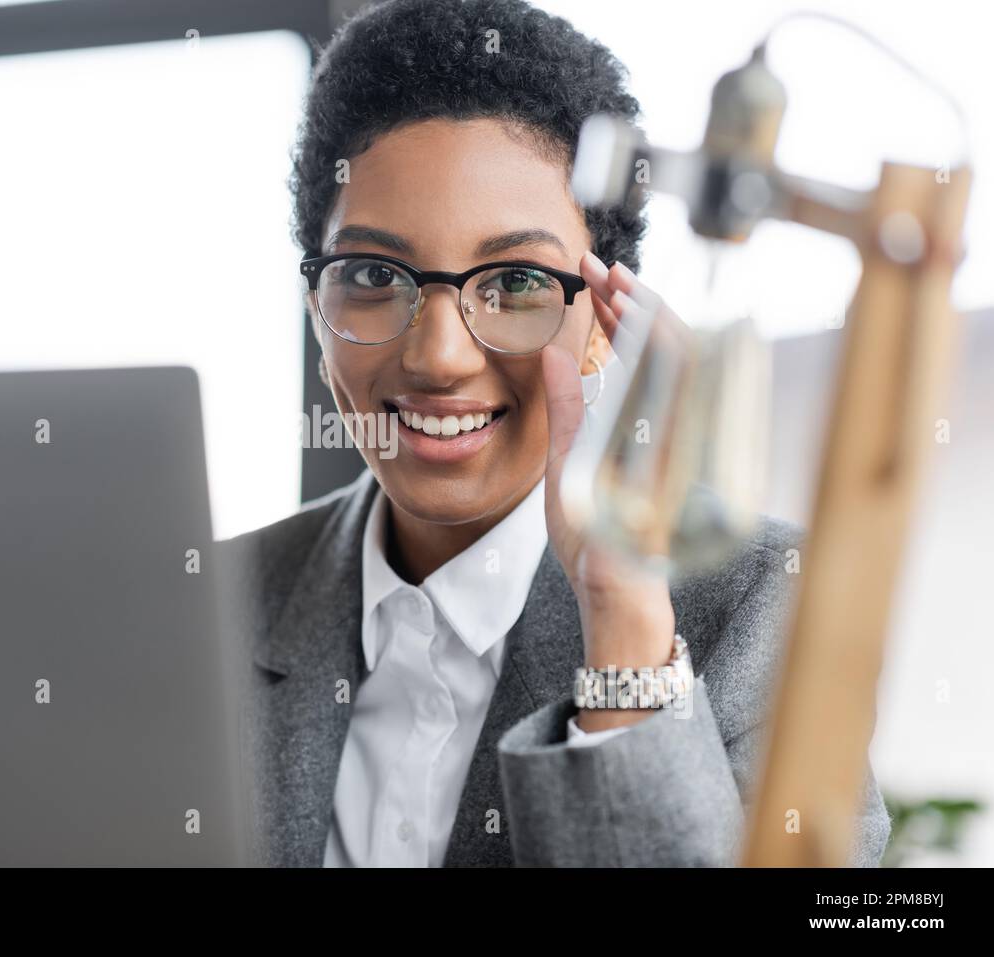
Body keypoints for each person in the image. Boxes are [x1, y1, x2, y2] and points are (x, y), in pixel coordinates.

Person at [218, 0, 890, 867]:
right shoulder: (210, 608)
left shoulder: (768, 608)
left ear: (606, 318)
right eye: (375, 274)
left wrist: (624, 626)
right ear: (317, 304)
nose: (440, 356)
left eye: (517, 281)